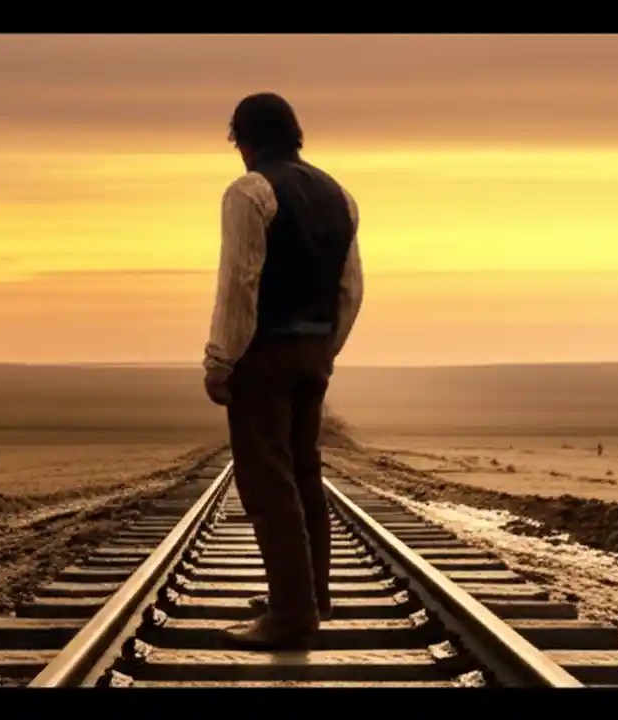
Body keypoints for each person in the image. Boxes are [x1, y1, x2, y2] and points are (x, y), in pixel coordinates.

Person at [202, 92, 363, 649]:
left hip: (263, 355)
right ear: (296, 135)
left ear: (241, 140)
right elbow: (351, 287)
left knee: (267, 480)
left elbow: (239, 285)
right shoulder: (338, 194)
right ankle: (312, 594)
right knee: (303, 471)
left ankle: (292, 617)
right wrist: (326, 349)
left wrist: (221, 361)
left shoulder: (249, 193)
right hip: (315, 351)